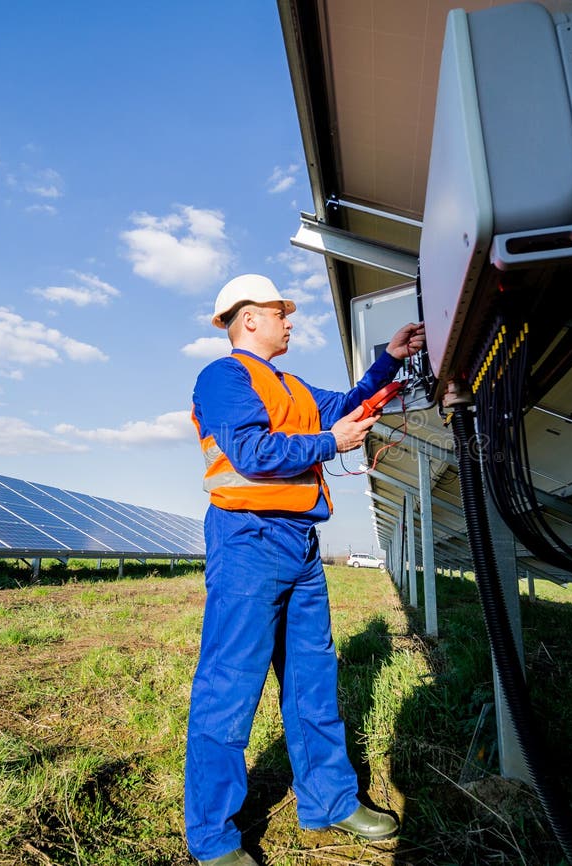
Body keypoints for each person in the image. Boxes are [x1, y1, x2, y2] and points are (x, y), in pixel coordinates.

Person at [185, 273, 425, 866]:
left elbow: (341, 409)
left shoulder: (288, 384)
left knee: (313, 681)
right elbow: (252, 453)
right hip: (247, 542)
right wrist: (328, 444)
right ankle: (213, 838)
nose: (290, 321)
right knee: (230, 688)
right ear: (248, 320)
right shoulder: (224, 378)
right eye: (279, 312)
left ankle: (330, 800)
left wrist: (388, 361)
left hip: (299, 544)